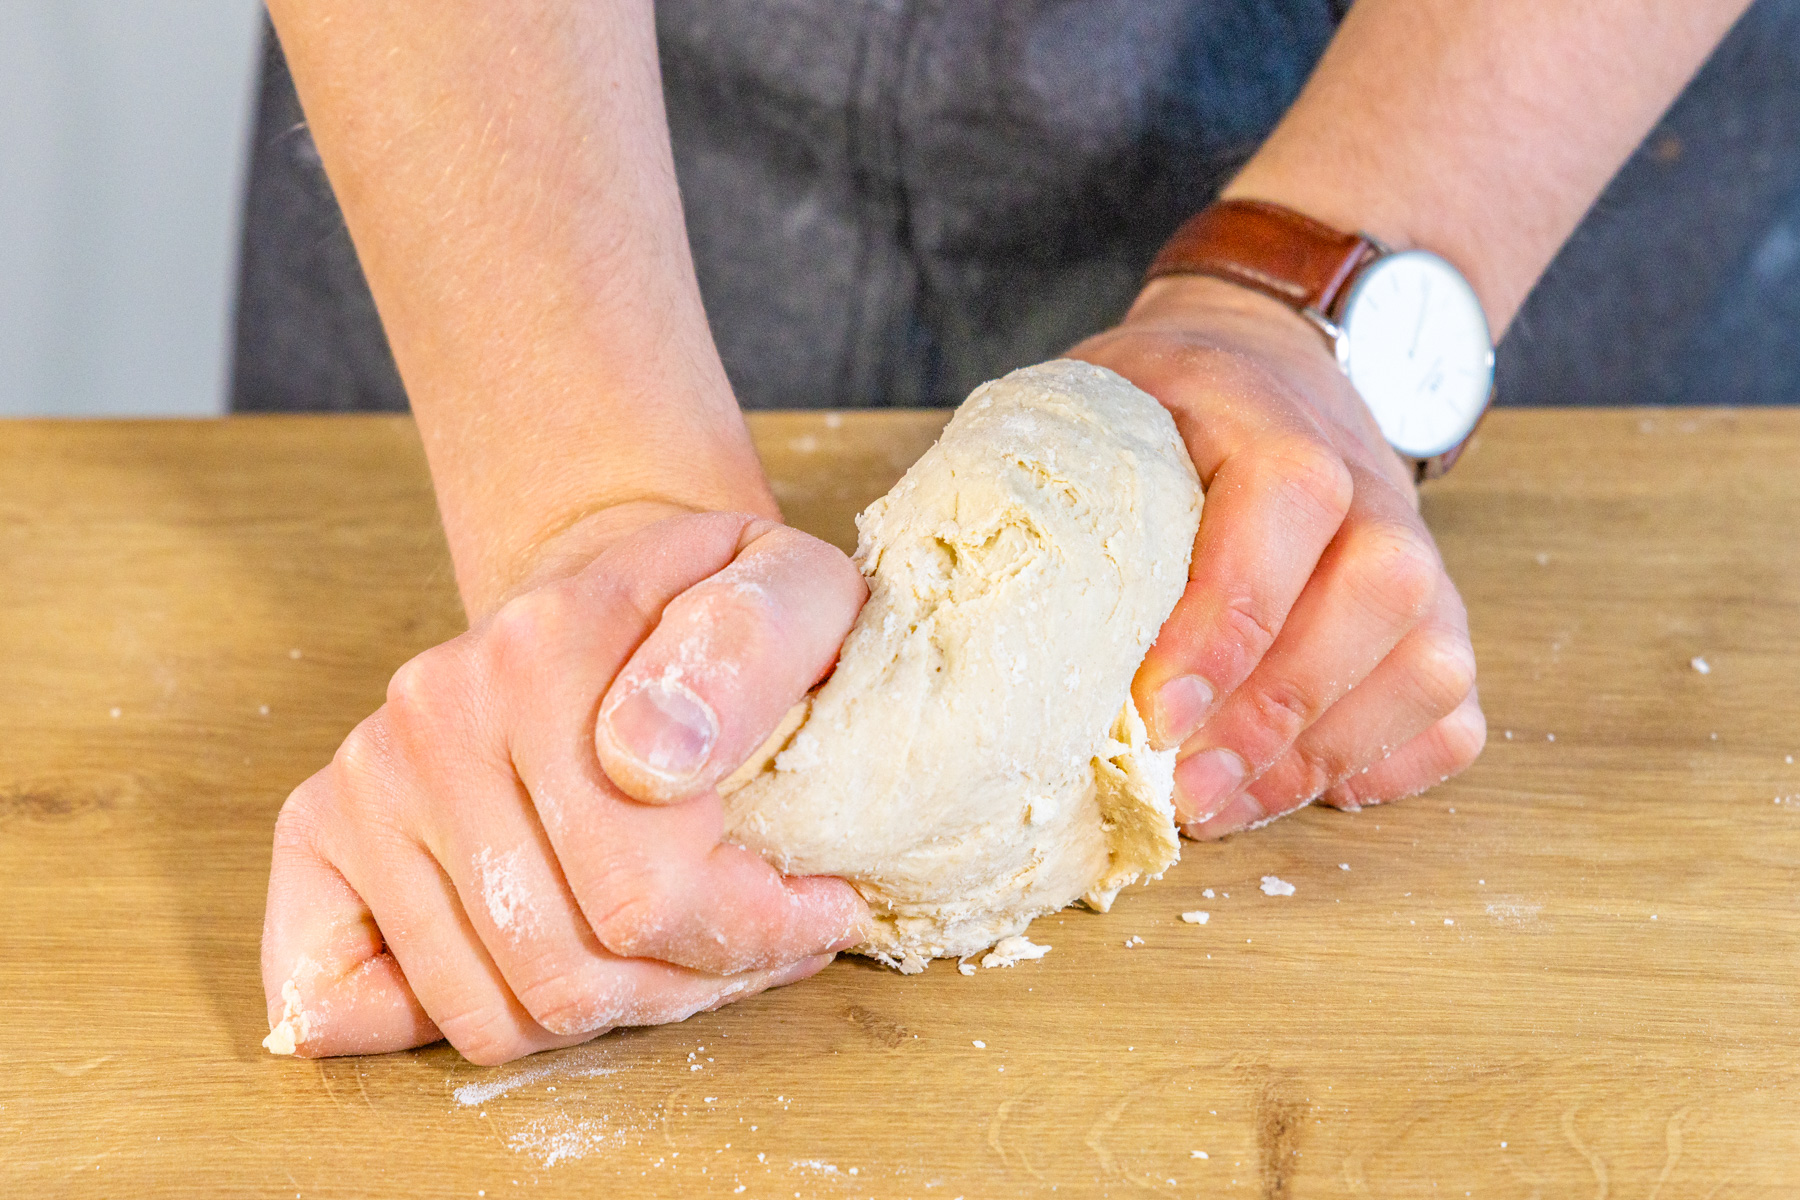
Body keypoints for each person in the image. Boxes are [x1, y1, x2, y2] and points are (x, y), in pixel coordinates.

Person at [253, 0, 1777, 1064]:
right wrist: (588, 498)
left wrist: (1312, 296)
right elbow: (590, 526)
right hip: (531, 132)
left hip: (1505, 98)